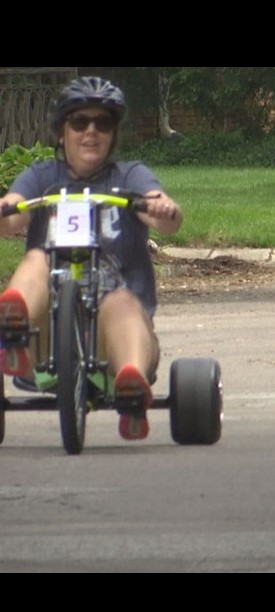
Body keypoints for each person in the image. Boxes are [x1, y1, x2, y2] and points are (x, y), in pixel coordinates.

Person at [0, 76, 183, 441]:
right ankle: (14, 326)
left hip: (112, 334)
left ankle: (130, 383)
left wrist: (162, 208)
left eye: (103, 124)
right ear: (61, 132)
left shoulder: (128, 176)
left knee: (120, 301)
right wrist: (6, 208)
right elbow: (14, 216)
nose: (91, 132)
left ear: (114, 134)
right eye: (79, 122)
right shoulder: (43, 176)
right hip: (46, 332)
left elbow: (162, 216)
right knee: (37, 259)